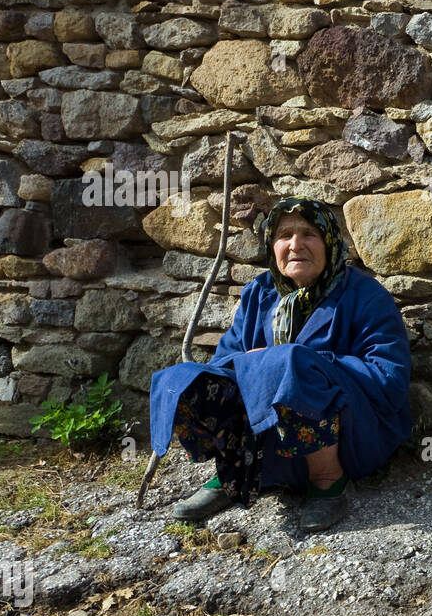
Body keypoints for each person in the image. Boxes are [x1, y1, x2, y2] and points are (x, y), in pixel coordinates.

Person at [148, 196, 412, 533]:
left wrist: (310, 364)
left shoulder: (365, 296)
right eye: (284, 235)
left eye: (308, 234)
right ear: (273, 245)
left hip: (351, 435)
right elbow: (224, 363)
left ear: (330, 243)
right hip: (270, 443)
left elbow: (388, 378)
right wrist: (255, 364)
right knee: (185, 378)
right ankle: (233, 471)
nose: (295, 245)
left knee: (293, 362)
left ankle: (328, 481)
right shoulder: (260, 293)